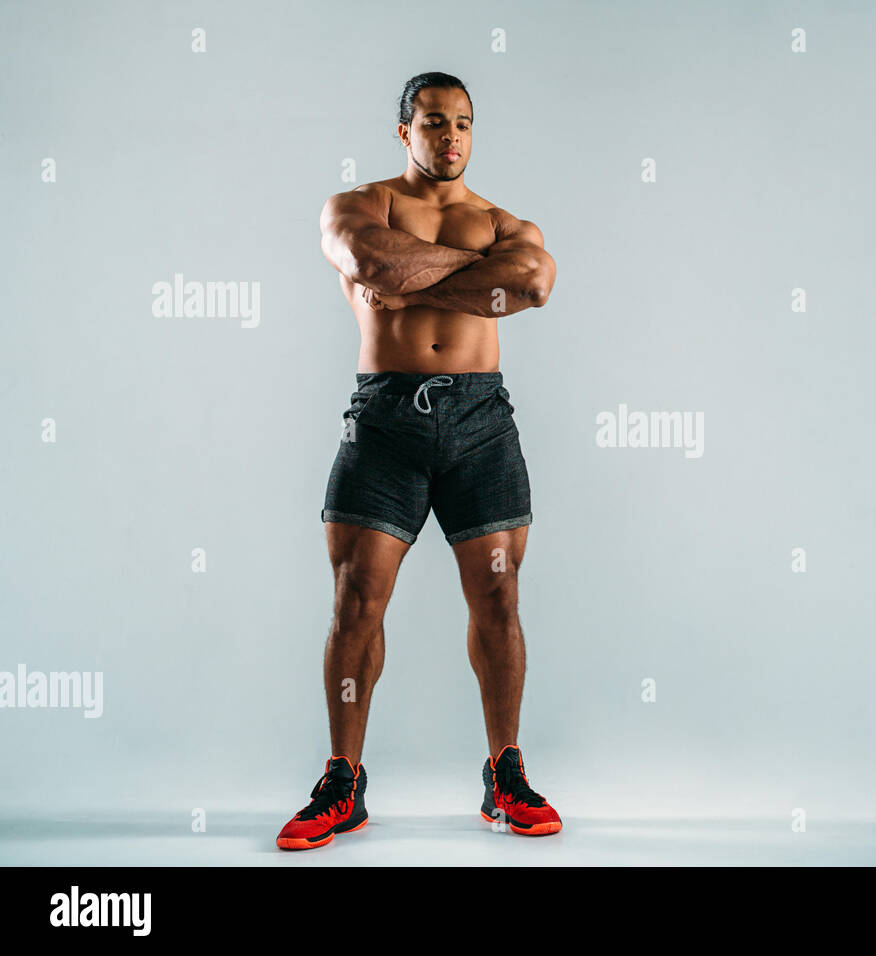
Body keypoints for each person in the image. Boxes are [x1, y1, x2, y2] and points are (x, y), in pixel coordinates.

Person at [276, 71, 560, 850]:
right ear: (405, 132)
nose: (451, 137)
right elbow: (375, 264)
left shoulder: (506, 223)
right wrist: (457, 280)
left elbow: (533, 281)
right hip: (386, 420)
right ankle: (343, 780)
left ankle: (505, 770)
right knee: (356, 600)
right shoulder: (359, 207)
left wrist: (410, 280)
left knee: (498, 602)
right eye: (434, 123)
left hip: (481, 422)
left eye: (463, 123)